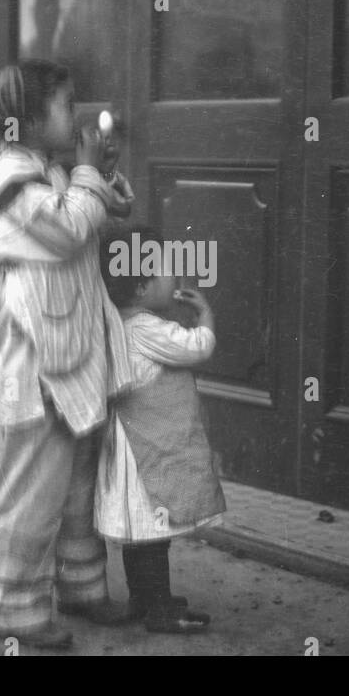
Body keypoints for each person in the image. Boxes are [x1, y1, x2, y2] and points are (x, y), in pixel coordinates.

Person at [0, 59, 136, 648]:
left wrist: (101, 175)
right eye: (65, 106)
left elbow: (96, 210)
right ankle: (13, 609)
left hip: (69, 354)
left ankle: (81, 584)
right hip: (34, 365)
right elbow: (70, 228)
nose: (74, 117)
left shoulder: (48, 171)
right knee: (34, 487)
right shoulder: (12, 184)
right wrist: (89, 179)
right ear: (27, 118)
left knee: (79, 480)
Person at [97, 225, 224, 634]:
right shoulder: (146, 329)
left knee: (144, 537)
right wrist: (205, 318)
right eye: (167, 269)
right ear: (139, 289)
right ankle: (160, 612)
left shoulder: (122, 322)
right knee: (153, 535)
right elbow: (195, 347)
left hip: (135, 449)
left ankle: (147, 598)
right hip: (147, 457)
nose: (176, 275)